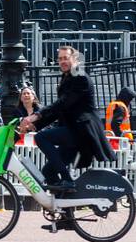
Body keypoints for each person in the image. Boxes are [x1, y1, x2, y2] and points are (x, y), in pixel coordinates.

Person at [19, 46, 113, 230]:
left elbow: (63, 104)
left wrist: (35, 117)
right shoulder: (68, 77)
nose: (62, 61)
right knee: (48, 171)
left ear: (75, 59)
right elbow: (59, 111)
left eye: (65, 58)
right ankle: (66, 219)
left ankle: (68, 180)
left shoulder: (79, 78)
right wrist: (34, 124)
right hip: (71, 129)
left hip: (82, 130)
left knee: (42, 139)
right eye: (59, 58)